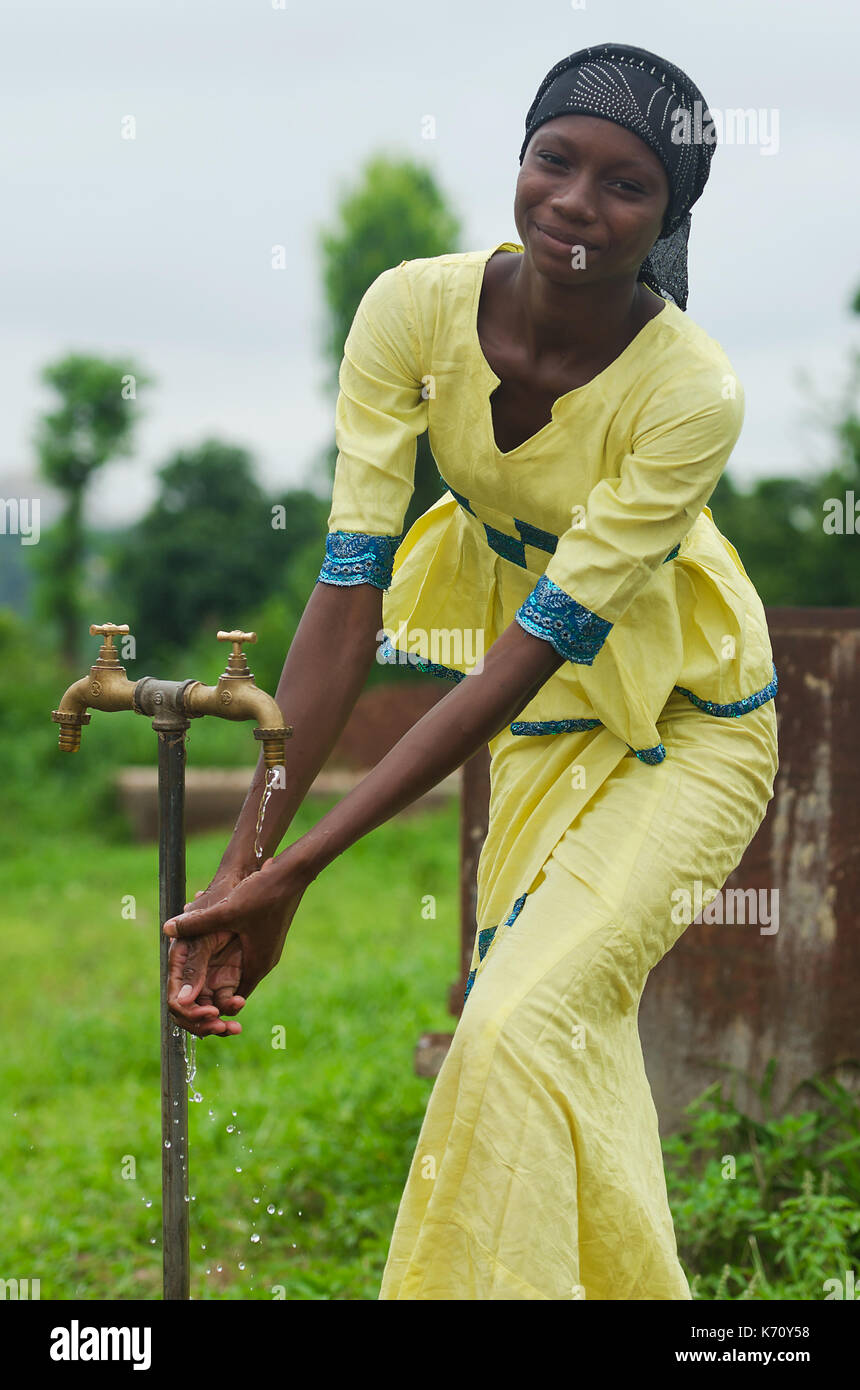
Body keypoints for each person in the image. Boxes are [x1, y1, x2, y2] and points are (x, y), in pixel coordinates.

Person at [162, 43, 779, 1300]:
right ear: (518, 159)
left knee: (511, 1021)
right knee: (558, 1031)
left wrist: (297, 874)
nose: (573, 203)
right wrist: (245, 864)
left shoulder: (690, 390)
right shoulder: (411, 310)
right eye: (553, 159)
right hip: (554, 720)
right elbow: (346, 602)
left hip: (687, 717)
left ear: (668, 219)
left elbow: (522, 653)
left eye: (625, 186)